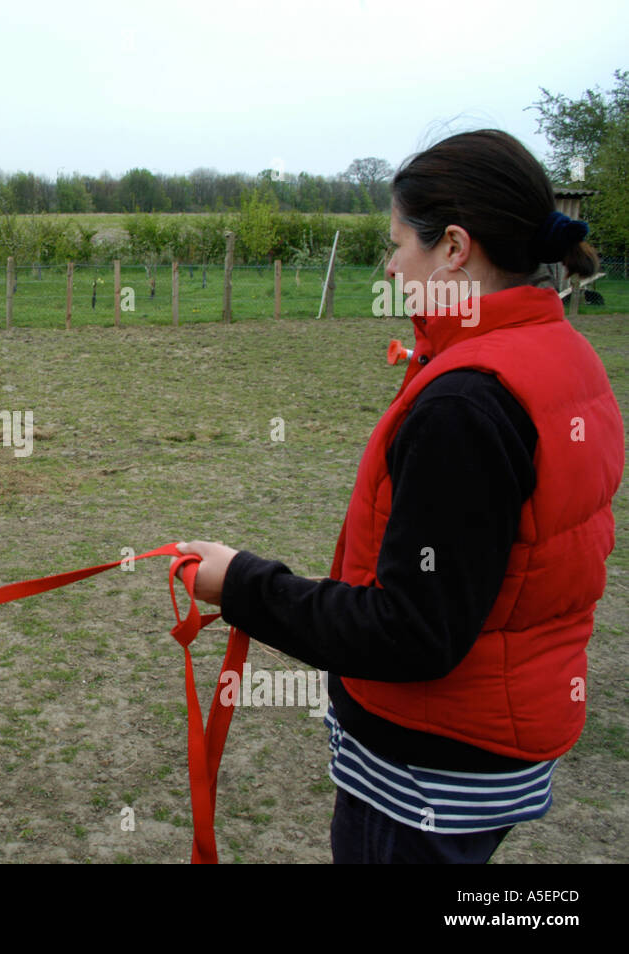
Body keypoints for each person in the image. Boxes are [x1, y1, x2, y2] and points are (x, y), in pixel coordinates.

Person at [175, 129, 623, 864]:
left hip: (431, 770)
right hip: (495, 741)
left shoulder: (467, 402)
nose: (390, 265)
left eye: (397, 243)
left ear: (453, 247)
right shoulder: (561, 352)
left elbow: (412, 631)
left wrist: (242, 585)